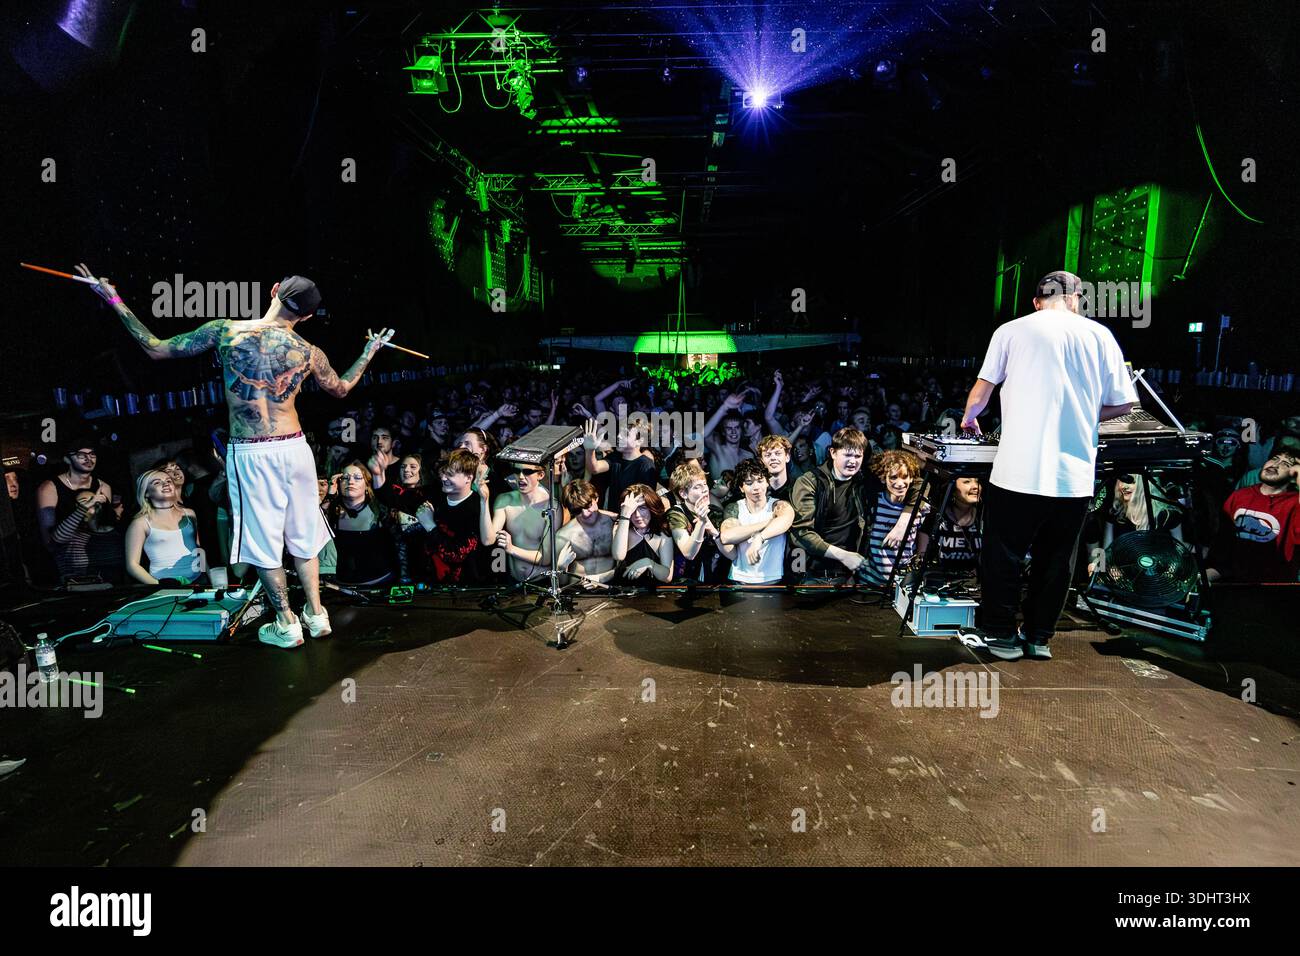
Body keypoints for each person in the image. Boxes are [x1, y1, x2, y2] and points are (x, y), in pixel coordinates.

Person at [82, 264, 395, 648]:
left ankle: (287, 623)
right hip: (295, 447)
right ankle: (316, 613)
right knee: (303, 536)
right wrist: (369, 351)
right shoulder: (309, 352)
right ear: (308, 315)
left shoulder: (226, 330)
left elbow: (155, 347)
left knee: (264, 541)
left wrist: (112, 298)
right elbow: (343, 388)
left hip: (253, 450)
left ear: (275, 290)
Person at [960, 270, 1138, 660]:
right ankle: (1039, 638)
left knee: (1004, 555)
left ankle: (1002, 637)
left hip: (1017, 471)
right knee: (1057, 561)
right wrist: (1086, 415)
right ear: (1076, 298)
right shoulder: (1100, 336)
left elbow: (982, 391)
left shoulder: (1011, 330)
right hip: (1073, 477)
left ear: (1037, 301)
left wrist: (970, 418)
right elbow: (1126, 404)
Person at [790, 427, 917, 583]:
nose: (853, 461)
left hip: (852, 575)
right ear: (833, 453)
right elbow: (802, 533)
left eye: (858, 456)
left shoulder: (863, 480)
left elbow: (918, 484)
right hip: (814, 574)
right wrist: (844, 556)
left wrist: (903, 522)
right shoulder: (810, 482)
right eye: (847, 455)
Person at [1206, 452, 1300, 583]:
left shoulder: (1294, 503)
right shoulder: (1240, 495)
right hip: (1234, 584)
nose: (1275, 465)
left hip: (1275, 588)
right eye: (1274, 459)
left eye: (1285, 464)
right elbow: (1223, 545)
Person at [36, 437, 117, 583]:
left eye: (92, 454)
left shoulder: (103, 487)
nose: (88, 458)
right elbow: (50, 542)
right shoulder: (50, 488)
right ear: (67, 459)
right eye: (81, 455)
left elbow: (104, 529)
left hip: (98, 558)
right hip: (67, 563)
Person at [718, 458, 794, 585]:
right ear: (741, 488)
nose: (756, 487)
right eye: (749, 483)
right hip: (740, 580)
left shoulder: (777, 505)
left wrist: (760, 537)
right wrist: (767, 522)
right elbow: (726, 536)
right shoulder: (735, 508)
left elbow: (786, 519)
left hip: (773, 581)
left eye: (760, 481)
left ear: (767, 482)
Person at [415, 449, 486, 585]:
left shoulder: (476, 508)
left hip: (463, 587)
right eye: (443, 472)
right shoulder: (436, 496)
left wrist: (430, 525)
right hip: (432, 582)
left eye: (450, 474)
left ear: (468, 478)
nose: (443, 478)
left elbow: (456, 554)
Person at [857, 450, 926, 587]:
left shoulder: (921, 508)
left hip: (902, 586)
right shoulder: (873, 502)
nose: (900, 483)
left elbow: (922, 550)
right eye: (893, 477)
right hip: (869, 583)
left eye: (905, 477)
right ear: (884, 479)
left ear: (911, 478)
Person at [124, 470, 204, 585]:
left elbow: (198, 549)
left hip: (198, 580)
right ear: (146, 493)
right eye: (157, 482)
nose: (165, 484)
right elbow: (132, 565)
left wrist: (208, 575)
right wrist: (158, 585)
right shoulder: (140, 523)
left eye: (168, 481)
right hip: (164, 583)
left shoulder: (189, 514)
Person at [325, 462, 398, 587]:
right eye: (345, 478)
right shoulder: (332, 512)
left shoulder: (381, 510)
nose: (350, 482)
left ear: (366, 484)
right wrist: (330, 496)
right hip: (342, 586)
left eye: (357, 477)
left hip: (380, 583)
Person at [480, 461, 553, 583]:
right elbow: (488, 540)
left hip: (542, 582)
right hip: (514, 581)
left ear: (540, 475)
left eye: (527, 472)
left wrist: (511, 549)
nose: (520, 476)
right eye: (517, 471)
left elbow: (546, 558)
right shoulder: (505, 500)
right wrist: (484, 500)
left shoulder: (551, 507)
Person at [666, 461, 726, 584]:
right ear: (683, 493)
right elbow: (688, 553)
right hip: (685, 583)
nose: (705, 490)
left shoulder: (716, 512)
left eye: (705, 484)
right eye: (697, 487)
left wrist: (715, 533)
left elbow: (730, 552)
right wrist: (701, 523)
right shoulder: (676, 513)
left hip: (714, 581)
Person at [583, 417, 657, 511]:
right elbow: (594, 468)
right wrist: (590, 449)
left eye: (626, 434)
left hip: (632, 521)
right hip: (614, 519)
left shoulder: (646, 466)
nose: (619, 436)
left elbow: (647, 501)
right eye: (620, 432)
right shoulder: (616, 457)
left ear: (639, 441)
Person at [915, 477, 983, 580]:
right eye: (967, 482)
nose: (975, 487)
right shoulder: (936, 517)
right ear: (952, 490)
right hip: (940, 586)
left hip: (974, 588)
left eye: (977, 481)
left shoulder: (984, 517)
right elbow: (921, 561)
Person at [554, 479, 618, 587]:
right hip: (578, 592)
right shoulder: (563, 536)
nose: (584, 514)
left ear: (596, 498)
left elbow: (624, 567)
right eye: (577, 510)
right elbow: (561, 584)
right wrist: (560, 567)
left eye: (588, 506)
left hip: (610, 588)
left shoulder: (614, 523)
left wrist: (600, 579)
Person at [612, 484, 675, 585]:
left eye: (642, 508)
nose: (637, 515)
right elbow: (618, 555)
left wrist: (649, 563)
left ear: (652, 508)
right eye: (632, 510)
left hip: (653, 595)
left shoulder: (663, 533)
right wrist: (625, 516)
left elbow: (667, 576)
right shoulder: (621, 529)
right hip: (624, 591)